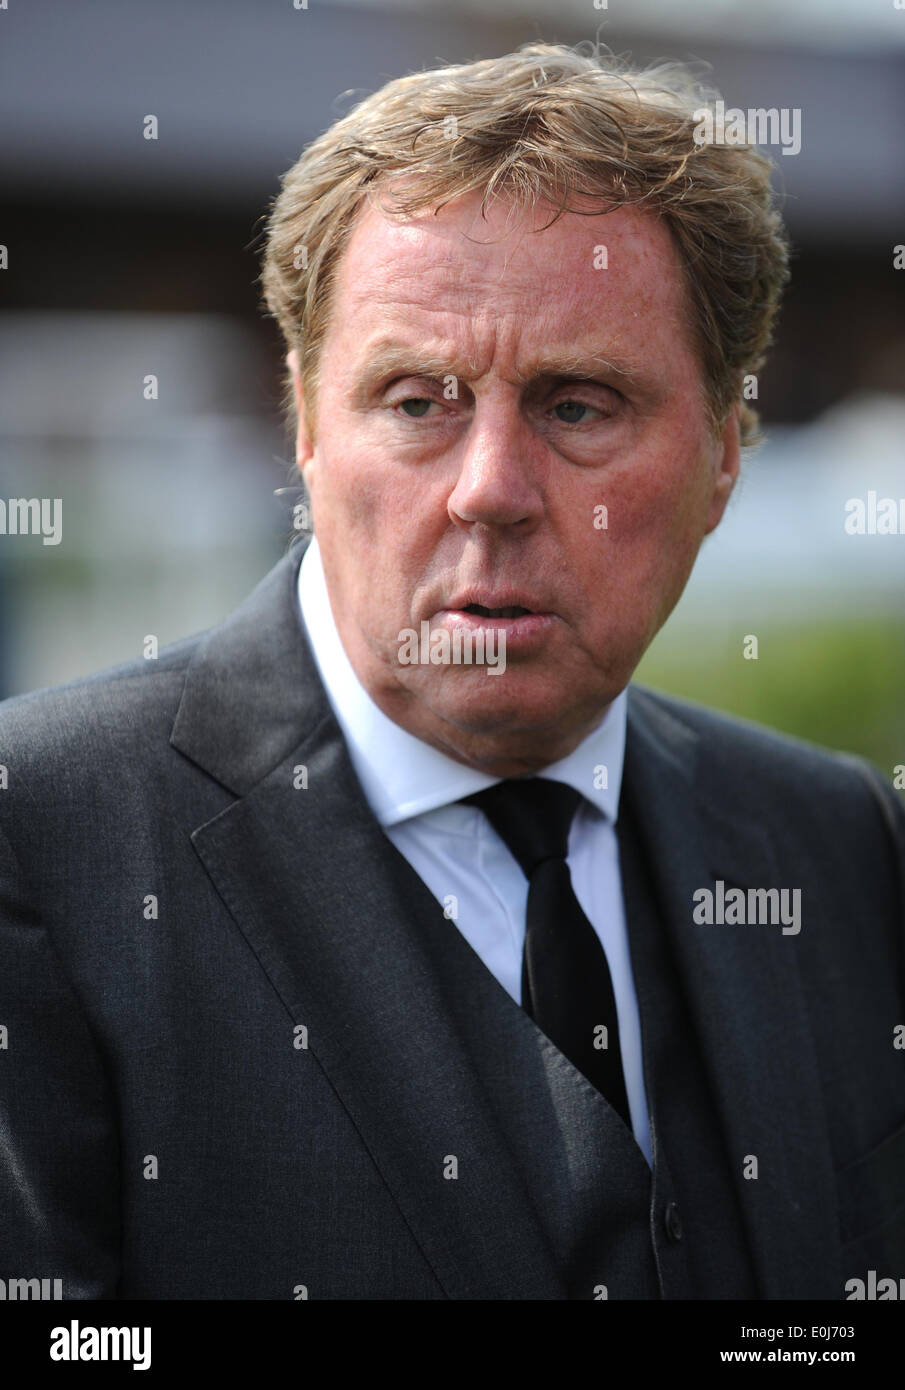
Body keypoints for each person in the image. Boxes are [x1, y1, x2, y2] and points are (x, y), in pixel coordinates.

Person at [1, 42, 903, 1302]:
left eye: (577, 404)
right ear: (306, 427)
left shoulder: (840, 847)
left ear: (722, 453)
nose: (488, 488)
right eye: (418, 399)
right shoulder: (39, 840)